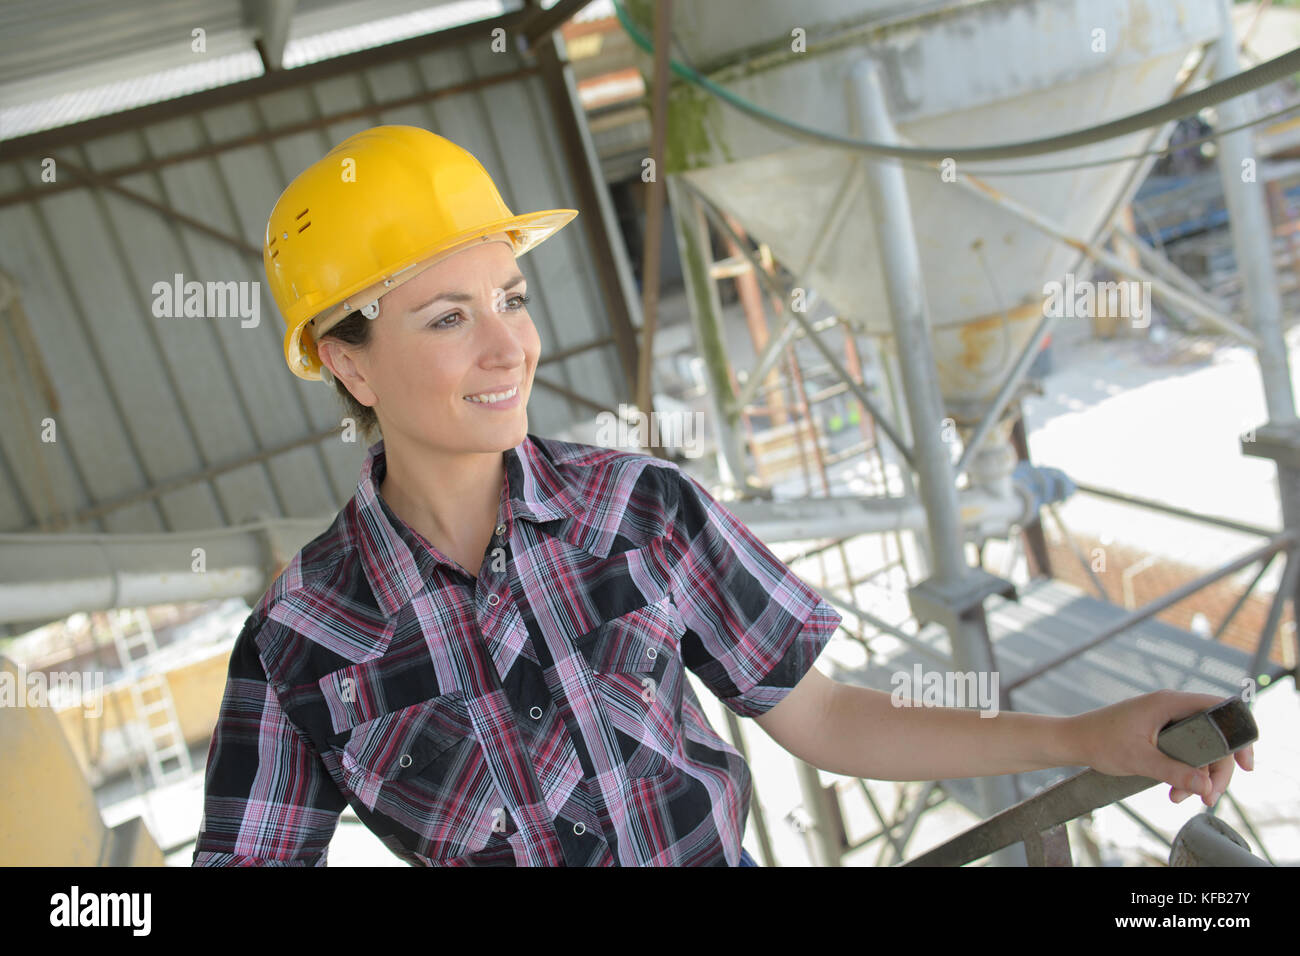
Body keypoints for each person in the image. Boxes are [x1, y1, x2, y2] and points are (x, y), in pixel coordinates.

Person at [192, 126, 1252, 867]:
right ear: (351, 364)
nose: (510, 343)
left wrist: (1086, 736)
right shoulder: (300, 643)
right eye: (446, 317)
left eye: (510, 298)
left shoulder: (639, 511)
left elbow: (827, 715)